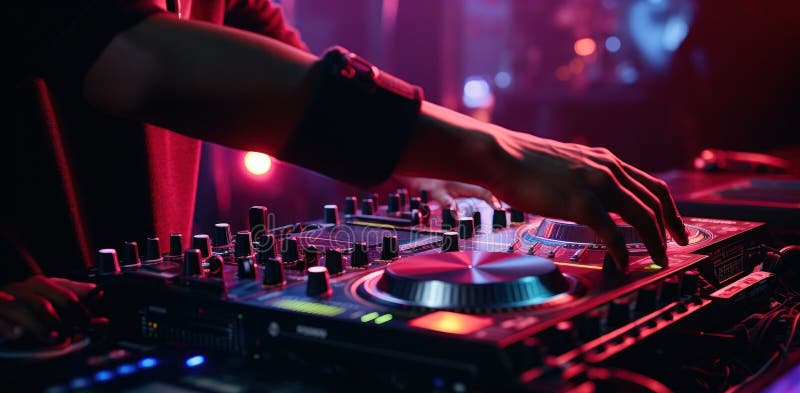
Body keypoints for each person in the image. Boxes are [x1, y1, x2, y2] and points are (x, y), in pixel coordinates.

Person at [3, 0, 687, 343]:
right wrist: (493, 152)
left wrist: (424, 165)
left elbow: (275, 56)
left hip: (115, 319)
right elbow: (136, 54)